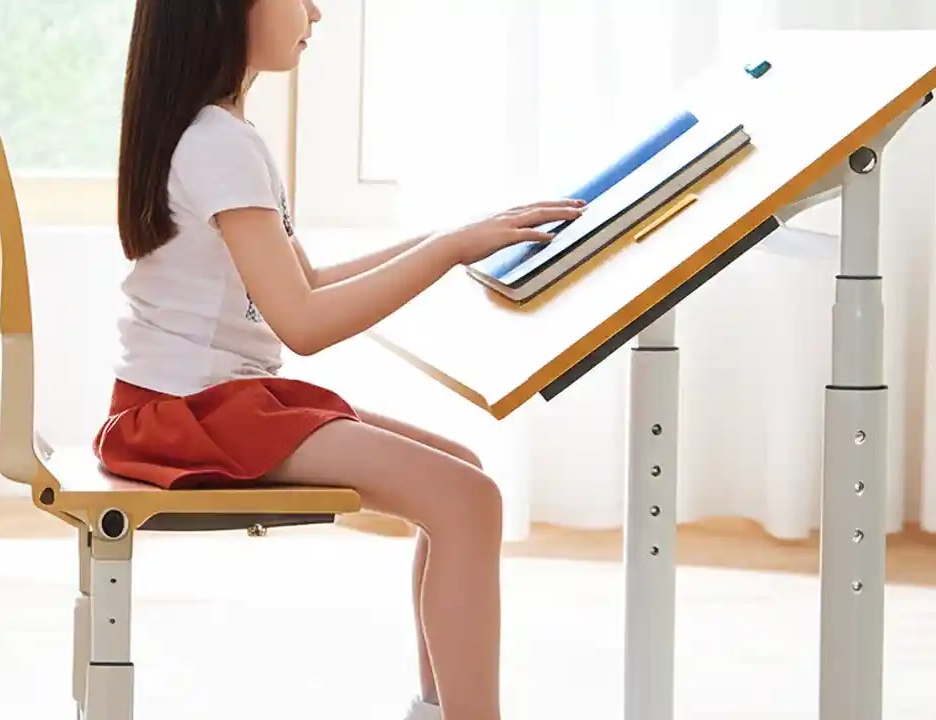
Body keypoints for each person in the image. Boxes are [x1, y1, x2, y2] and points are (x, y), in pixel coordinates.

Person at [94, 2, 585, 718]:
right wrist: (449, 252)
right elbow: (304, 324)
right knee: (468, 502)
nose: (316, 11)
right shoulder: (218, 144)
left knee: (465, 483)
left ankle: (438, 709)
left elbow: (310, 283)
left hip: (202, 403)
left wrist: (454, 236)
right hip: (187, 415)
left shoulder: (217, 135)